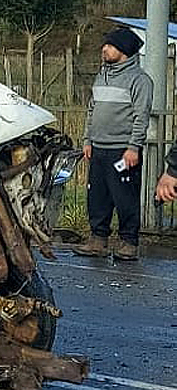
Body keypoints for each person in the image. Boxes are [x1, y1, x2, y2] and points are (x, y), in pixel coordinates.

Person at [74, 28, 153, 261]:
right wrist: (87, 140)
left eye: (110, 46)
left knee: (125, 197)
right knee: (97, 196)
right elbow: (92, 110)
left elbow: (141, 116)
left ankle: (129, 242)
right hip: (98, 148)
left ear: (124, 50)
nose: (104, 49)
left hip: (122, 149)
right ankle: (98, 239)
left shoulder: (139, 81)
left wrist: (133, 147)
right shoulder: (101, 76)